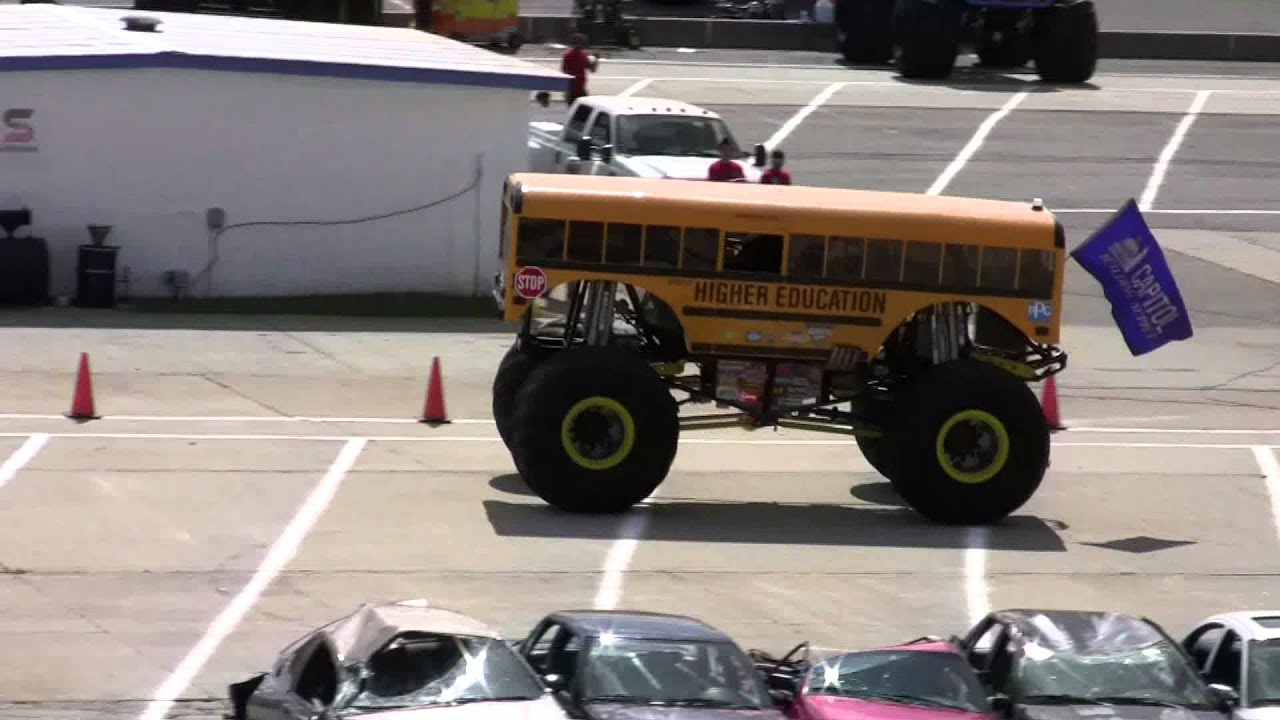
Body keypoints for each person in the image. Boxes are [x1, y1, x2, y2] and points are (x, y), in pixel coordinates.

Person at [560, 34, 597, 106]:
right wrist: (596, 59)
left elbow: (564, 71)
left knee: (575, 110)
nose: (584, 45)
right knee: (585, 109)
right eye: (583, 42)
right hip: (575, 89)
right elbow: (593, 70)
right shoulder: (582, 55)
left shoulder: (570, 55)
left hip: (574, 89)